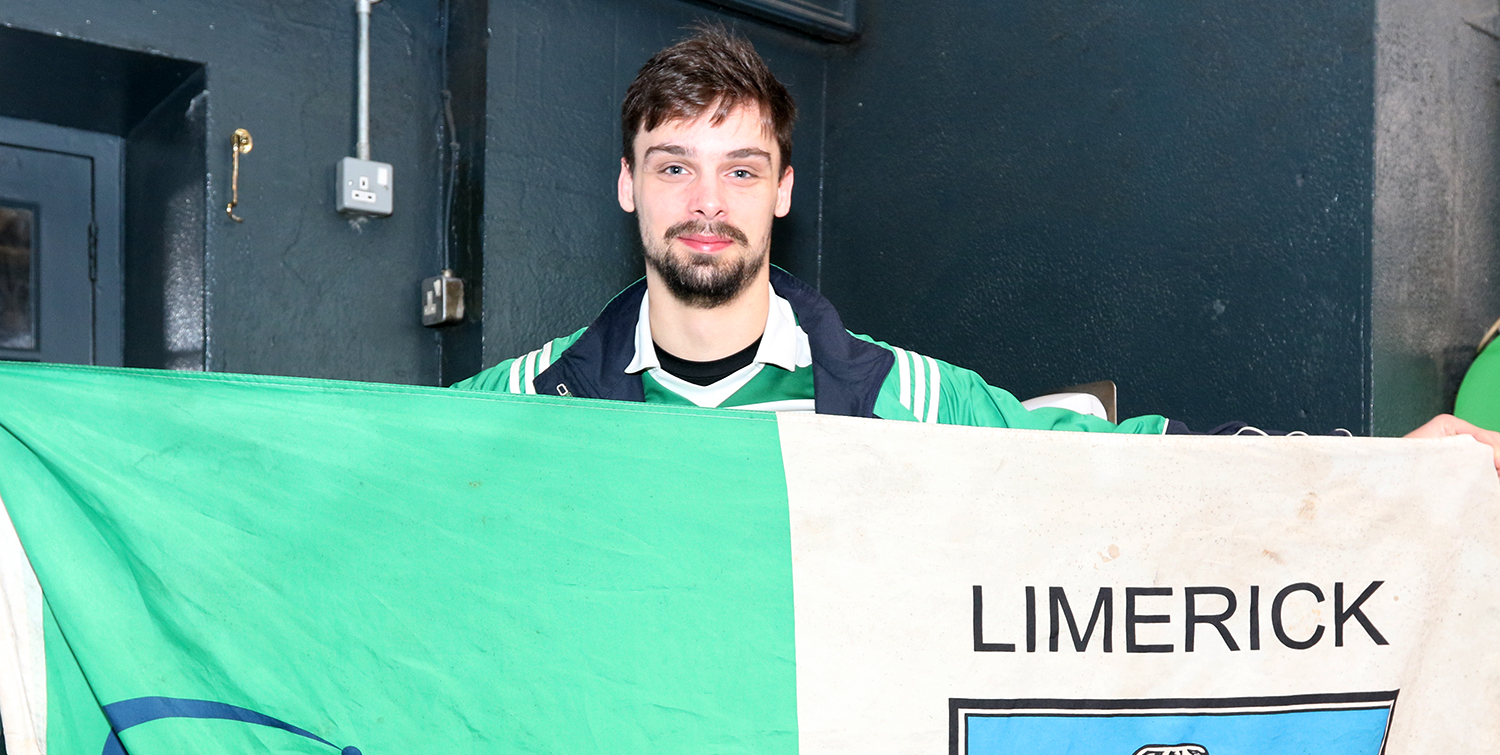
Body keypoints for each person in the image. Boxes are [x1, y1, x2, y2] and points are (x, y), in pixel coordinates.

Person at [453, 28, 1500, 470]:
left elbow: (1124, 461)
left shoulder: (911, 404)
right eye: (674, 166)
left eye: (740, 168)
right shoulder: (522, 405)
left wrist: (1376, 471)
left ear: (781, 192)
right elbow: (338, 480)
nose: (706, 201)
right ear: (628, 186)